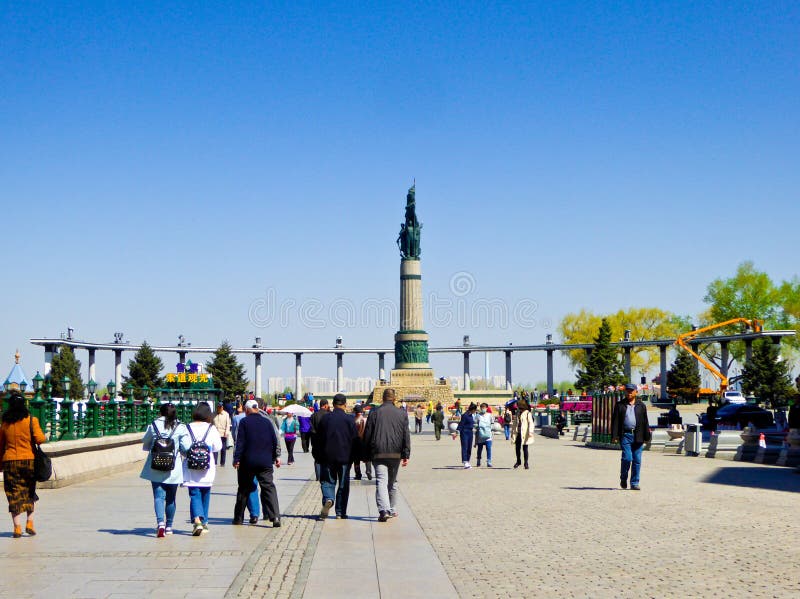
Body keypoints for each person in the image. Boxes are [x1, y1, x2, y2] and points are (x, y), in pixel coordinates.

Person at [0, 391, 47, 538]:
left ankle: (17, 528)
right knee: (29, 491)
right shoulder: (31, 420)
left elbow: (1, 445)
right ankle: (30, 523)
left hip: (9, 462)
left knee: (13, 493)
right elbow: (40, 439)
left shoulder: (5, 423)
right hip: (29, 460)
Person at [140, 403, 191, 537]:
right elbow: (186, 447)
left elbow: (145, 442)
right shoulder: (180, 427)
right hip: (173, 468)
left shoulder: (154, 425)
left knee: (158, 496)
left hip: (156, 465)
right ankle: (169, 526)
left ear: (160, 412)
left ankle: (160, 523)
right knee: (171, 498)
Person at [363, 388, 411, 522]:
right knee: (392, 482)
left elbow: (368, 434)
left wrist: (365, 454)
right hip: (395, 453)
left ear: (382, 399)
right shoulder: (402, 413)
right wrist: (406, 453)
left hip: (378, 452)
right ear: (394, 399)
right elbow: (406, 435)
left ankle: (384, 510)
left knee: (381, 481)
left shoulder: (374, 413)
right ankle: (392, 508)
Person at [233, 400, 281, 527]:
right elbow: (274, 440)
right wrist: (275, 456)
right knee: (269, 487)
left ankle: (238, 518)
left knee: (244, 489)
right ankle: (275, 516)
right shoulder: (267, 422)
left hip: (247, 462)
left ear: (247, 410)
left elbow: (240, 442)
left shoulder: (244, 422)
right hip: (265, 462)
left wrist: (236, 459)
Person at [315, 394, 358, 519]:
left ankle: (329, 499)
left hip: (327, 457)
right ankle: (340, 512)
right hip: (345, 457)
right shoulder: (350, 419)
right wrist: (356, 459)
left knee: (327, 481)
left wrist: (318, 456)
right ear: (345, 405)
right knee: (343, 485)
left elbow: (318, 439)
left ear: (332, 405)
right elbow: (355, 440)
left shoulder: (325, 419)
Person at [183, 402, 223, 536]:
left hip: (191, 466)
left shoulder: (187, 428)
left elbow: (183, 449)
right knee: (205, 493)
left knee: (194, 493)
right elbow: (218, 447)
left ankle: (197, 521)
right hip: (207, 466)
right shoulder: (211, 428)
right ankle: (204, 522)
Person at [611, 383, 652, 491]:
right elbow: (615, 421)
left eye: (631, 391)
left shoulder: (641, 406)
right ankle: (623, 478)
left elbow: (645, 421)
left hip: (638, 435)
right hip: (626, 435)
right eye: (627, 391)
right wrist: (614, 435)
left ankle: (634, 483)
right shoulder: (620, 405)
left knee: (637, 460)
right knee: (627, 458)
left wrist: (647, 436)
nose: (629, 393)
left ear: (636, 392)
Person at [310, 399, 331, 481]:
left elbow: (311, 430)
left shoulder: (314, 415)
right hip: (326, 442)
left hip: (316, 442)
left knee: (317, 460)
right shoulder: (329, 415)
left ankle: (318, 477)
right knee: (327, 460)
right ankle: (326, 476)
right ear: (325, 405)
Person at [511, 399, 534, 470]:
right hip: (518, 432)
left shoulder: (528, 413)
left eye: (518, 406)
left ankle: (526, 463)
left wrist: (530, 432)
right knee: (517, 448)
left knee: (525, 448)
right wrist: (512, 432)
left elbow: (531, 423)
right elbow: (515, 423)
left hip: (525, 433)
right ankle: (518, 461)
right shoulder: (518, 413)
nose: (517, 407)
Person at [352, 404, 372, 480]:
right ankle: (368, 471)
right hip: (365, 442)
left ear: (355, 412)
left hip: (356, 442)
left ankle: (358, 474)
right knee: (367, 458)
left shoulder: (354, 420)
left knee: (356, 460)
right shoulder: (366, 419)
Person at [454, 403, 477, 469]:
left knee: (469, 447)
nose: (475, 411)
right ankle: (465, 461)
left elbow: (471, 423)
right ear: (472, 409)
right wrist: (457, 432)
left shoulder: (471, 415)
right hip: (464, 432)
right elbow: (461, 424)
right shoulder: (465, 415)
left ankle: (468, 460)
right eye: (475, 410)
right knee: (465, 447)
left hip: (470, 432)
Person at [474, 403, 494, 467]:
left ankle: (489, 461)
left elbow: (492, 423)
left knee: (488, 448)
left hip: (488, 435)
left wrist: (490, 428)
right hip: (480, 435)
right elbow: (475, 423)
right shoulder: (478, 415)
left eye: (484, 407)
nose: (483, 409)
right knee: (479, 449)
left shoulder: (489, 415)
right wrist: (477, 426)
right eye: (482, 407)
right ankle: (478, 460)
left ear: (487, 408)